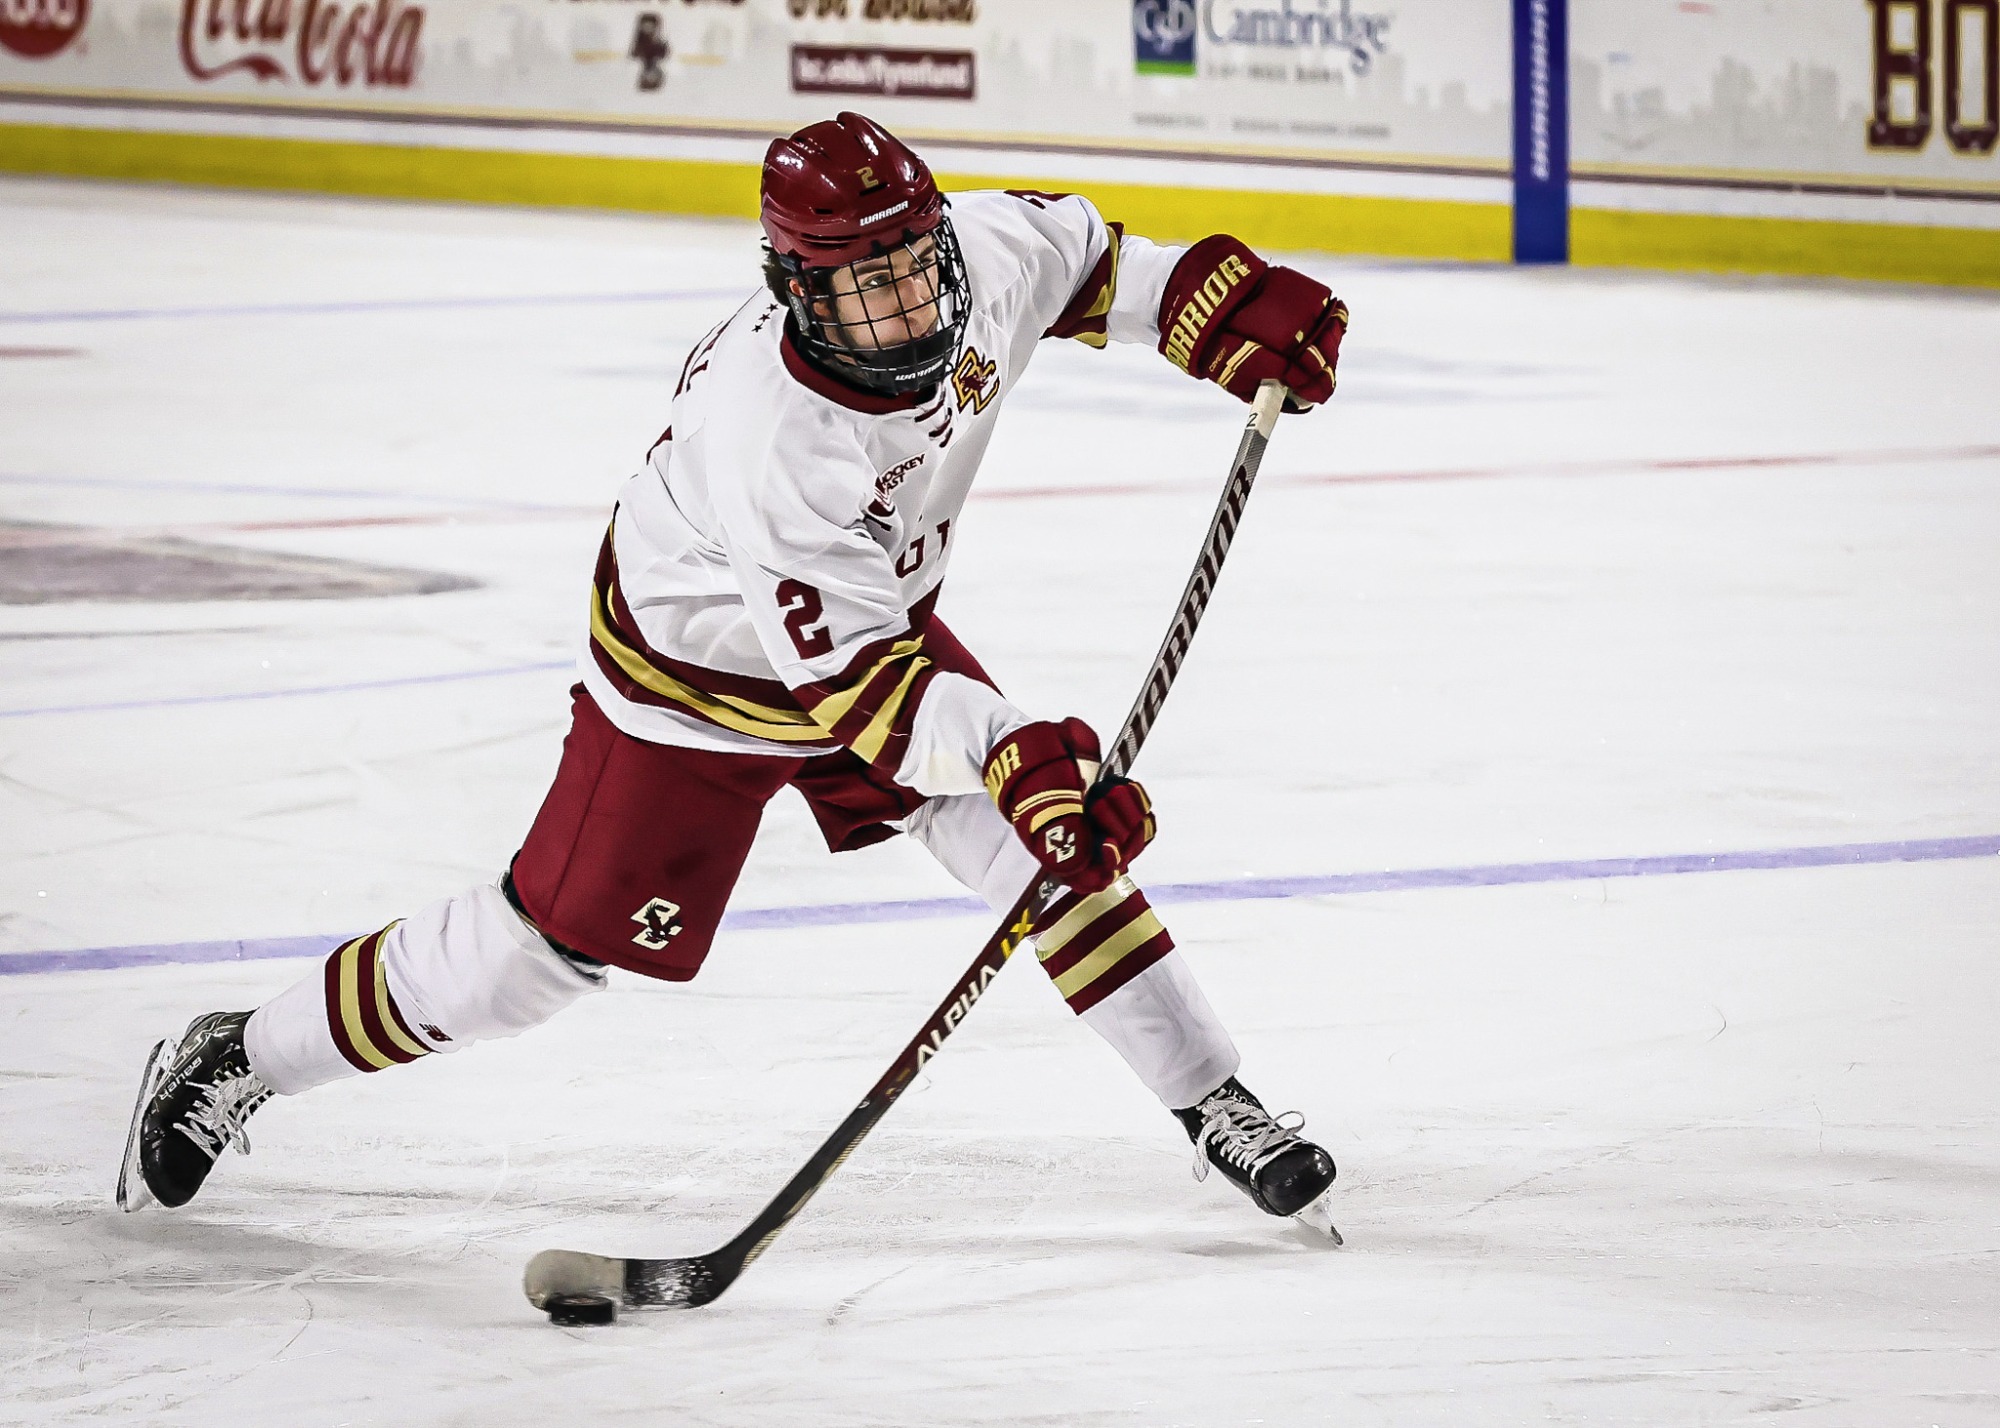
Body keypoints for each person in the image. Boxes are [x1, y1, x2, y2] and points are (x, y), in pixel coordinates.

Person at [119, 113, 1350, 1236]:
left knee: (1054, 849)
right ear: (794, 290)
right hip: (693, 676)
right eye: (864, 286)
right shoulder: (777, 440)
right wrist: (1018, 752)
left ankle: (1214, 1103)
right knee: (529, 964)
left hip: (871, 630)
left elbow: (1095, 265)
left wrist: (1225, 308)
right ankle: (240, 1054)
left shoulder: (980, 253)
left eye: (913, 263)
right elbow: (867, 701)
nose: (907, 304)